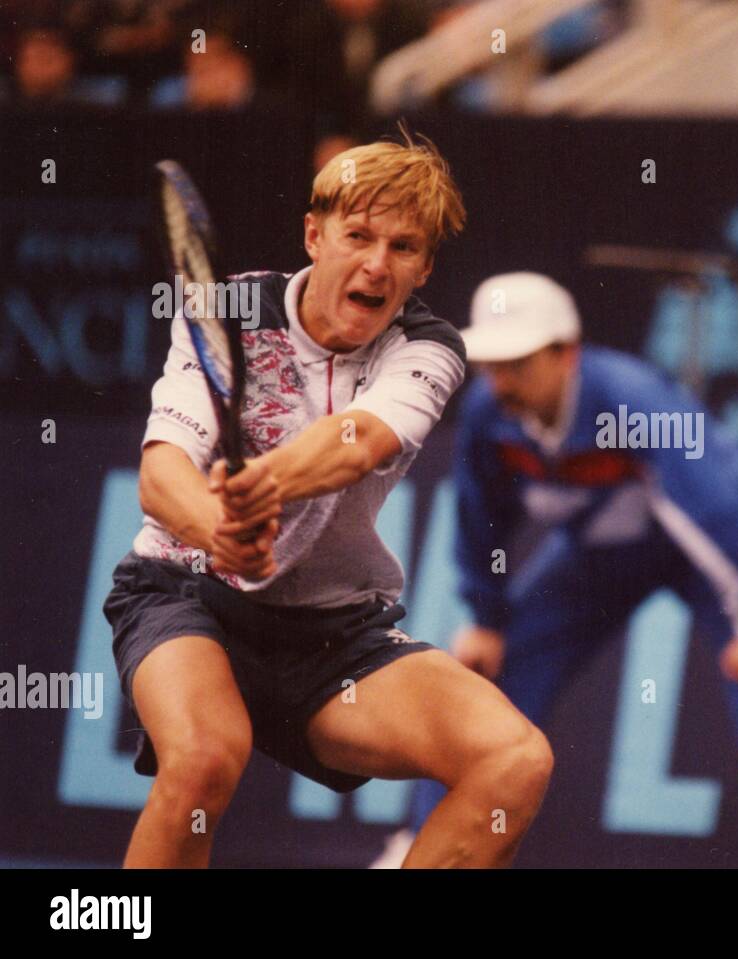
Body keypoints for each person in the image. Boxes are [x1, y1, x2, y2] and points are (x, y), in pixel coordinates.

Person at [102, 131, 553, 868]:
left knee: (514, 758)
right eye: (359, 235)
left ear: (424, 268)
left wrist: (263, 484)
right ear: (314, 236)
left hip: (334, 637)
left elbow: (360, 439)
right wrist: (219, 529)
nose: (378, 263)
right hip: (186, 597)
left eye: (404, 247)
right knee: (206, 758)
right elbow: (162, 474)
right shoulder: (230, 308)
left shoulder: (428, 347)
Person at [381, 272, 738, 868]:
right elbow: (480, 515)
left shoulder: (635, 400)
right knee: (488, 680)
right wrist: (486, 616)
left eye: (518, 362)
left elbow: (715, 508)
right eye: (491, 363)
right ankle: (418, 847)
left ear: (566, 353)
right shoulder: (489, 413)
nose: (500, 380)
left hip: (699, 551)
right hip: (599, 559)